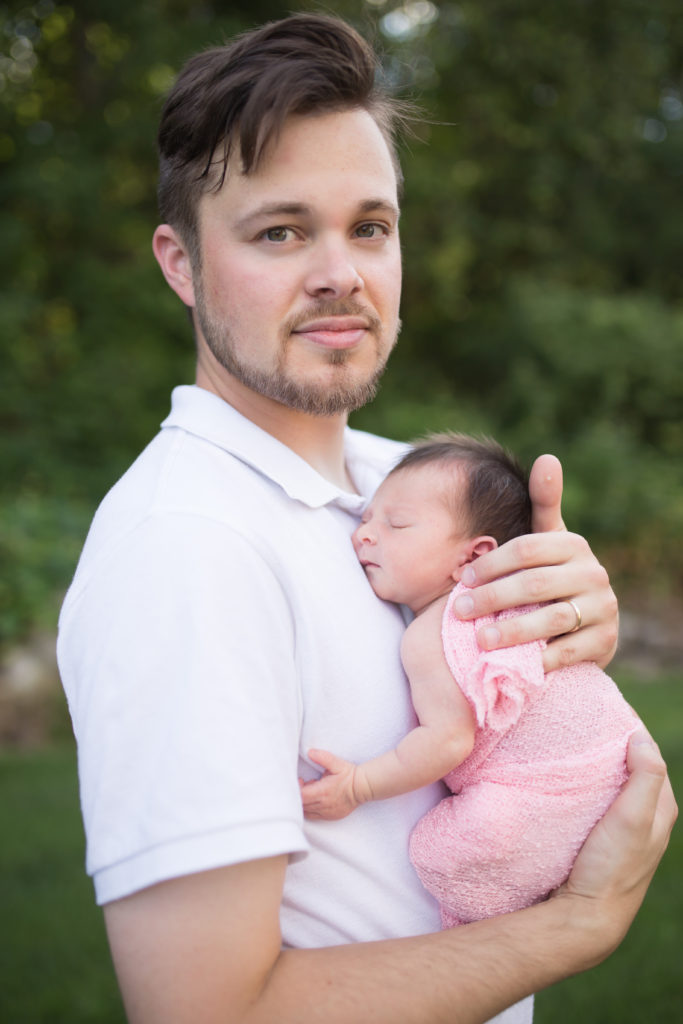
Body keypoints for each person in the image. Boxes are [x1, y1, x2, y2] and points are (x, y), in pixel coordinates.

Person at [56, 13, 675, 1024]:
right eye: (280, 231)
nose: (339, 271)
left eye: (369, 227)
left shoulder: (407, 485)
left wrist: (565, 627)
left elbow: (506, 692)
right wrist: (579, 922)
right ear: (180, 263)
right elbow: (208, 1010)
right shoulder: (185, 549)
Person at [300, 433, 639, 928]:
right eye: (367, 518)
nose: (363, 535)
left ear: (472, 557)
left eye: (396, 524)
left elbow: (448, 739)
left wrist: (358, 785)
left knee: (442, 852)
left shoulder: (435, 632)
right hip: (614, 764)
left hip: (538, 792)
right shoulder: (523, 601)